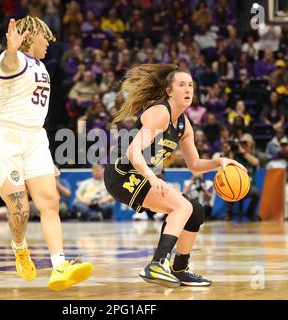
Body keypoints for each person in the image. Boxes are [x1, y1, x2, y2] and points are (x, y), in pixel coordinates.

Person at [104, 64, 245, 287]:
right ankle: (157, 264)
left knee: (195, 211)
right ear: (169, 91)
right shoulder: (160, 113)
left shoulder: (183, 125)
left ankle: (179, 268)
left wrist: (220, 162)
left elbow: (195, 165)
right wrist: (152, 178)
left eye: (190, 85)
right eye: (181, 85)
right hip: (121, 173)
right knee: (182, 207)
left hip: (141, 174)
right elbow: (132, 152)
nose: (188, 89)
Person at [0, 16, 93, 290]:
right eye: (45, 37)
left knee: (51, 203)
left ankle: (59, 266)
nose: (49, 42)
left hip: (34, 137)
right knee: (20, 210)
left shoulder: (41, 66)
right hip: (3, 137)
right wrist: (12, 49)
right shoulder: (12, 60)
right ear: (29, 37)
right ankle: (19, 247)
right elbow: (8, 63)